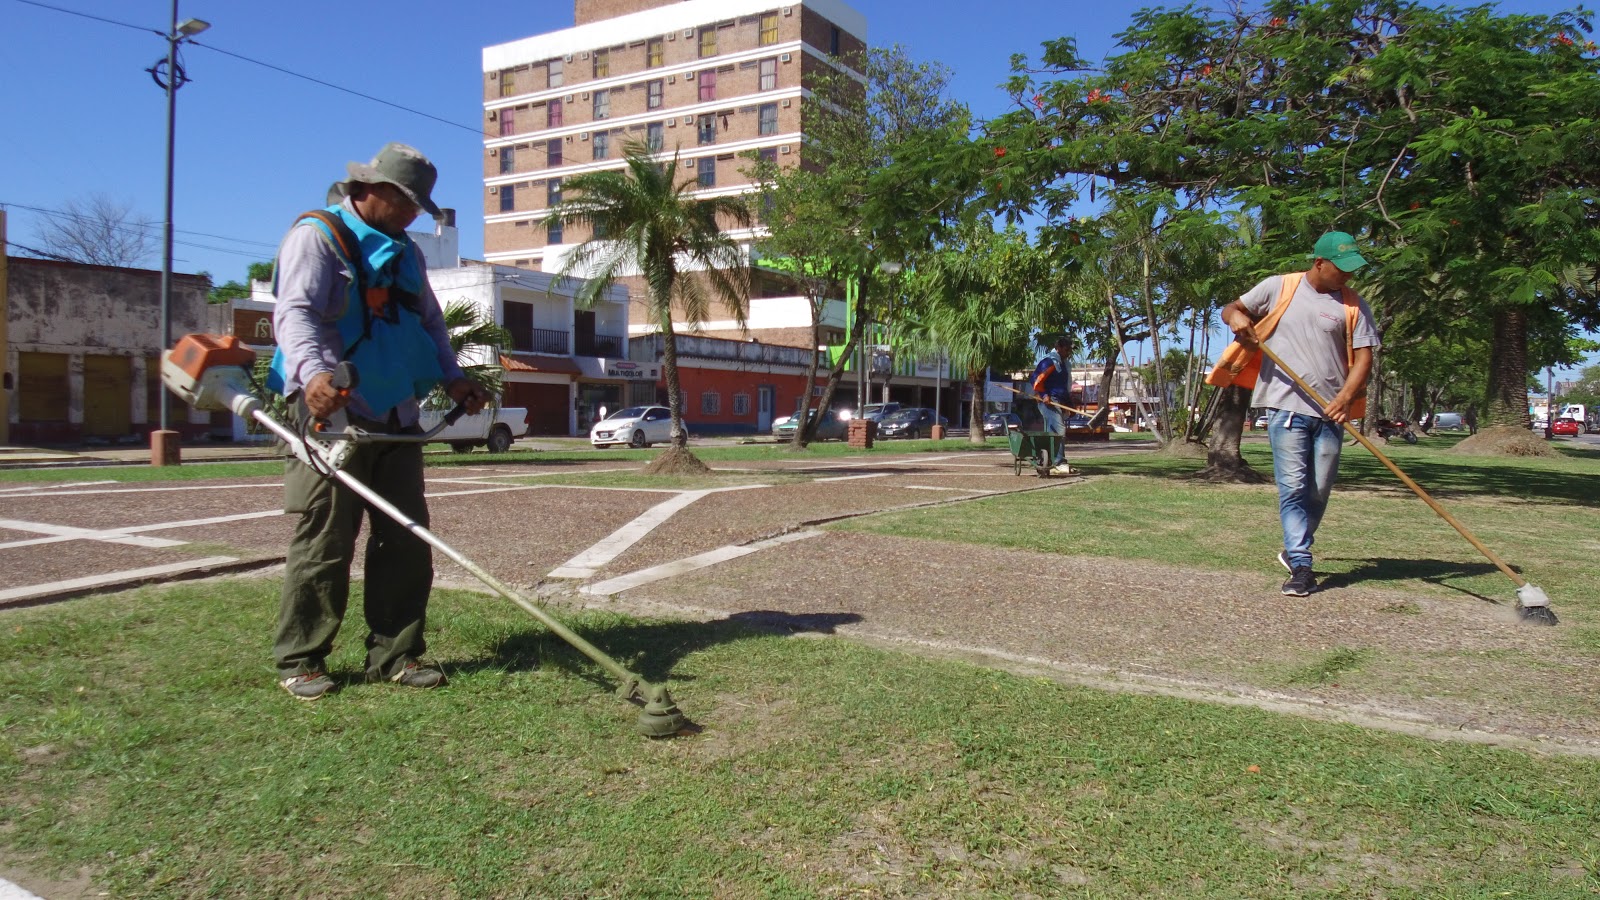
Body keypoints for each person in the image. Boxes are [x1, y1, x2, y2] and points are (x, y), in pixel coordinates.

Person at [268, 143, 490, 700]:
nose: (413, 212)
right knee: (326, 536)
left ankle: (396, 654)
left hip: (396, 413)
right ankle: (302, 659)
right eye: (406, 201)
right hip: (331, 409)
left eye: (419, 205)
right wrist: (314, 376)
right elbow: (294, 313)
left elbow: (430, 324)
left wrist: (454, 378)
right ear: (370, 189)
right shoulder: (317, 236)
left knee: (406, 536)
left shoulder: (408, 253)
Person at [1217, 231, 1381, 597]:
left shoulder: (1354, 305)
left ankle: (1295, 549)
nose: (1348, 275)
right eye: (1342, 268)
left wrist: (1345, 397)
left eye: (1352, 269)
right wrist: (1235, 318)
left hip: (1331, 412)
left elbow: (1364, 357)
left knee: (1318, 491)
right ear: (1319, 263)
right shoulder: (1279, 287)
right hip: (1285, 406)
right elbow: (1230, 309)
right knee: (1293, 487)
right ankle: (1302, 564)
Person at [1030, 334, 1078, 475]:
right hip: (1048, 402)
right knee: (1059, 430)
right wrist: (1044, 395)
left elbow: (1063, 388)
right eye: (1066, 349)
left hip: (1059, 400)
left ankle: (1050, 461)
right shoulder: (1049, 362)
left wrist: (1070, 405)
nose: (1068, 353)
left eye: (1070, 350)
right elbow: (1035, 379)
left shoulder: (1064, 365)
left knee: (1052, 433)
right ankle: (1059, 463)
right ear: (1058, 348)